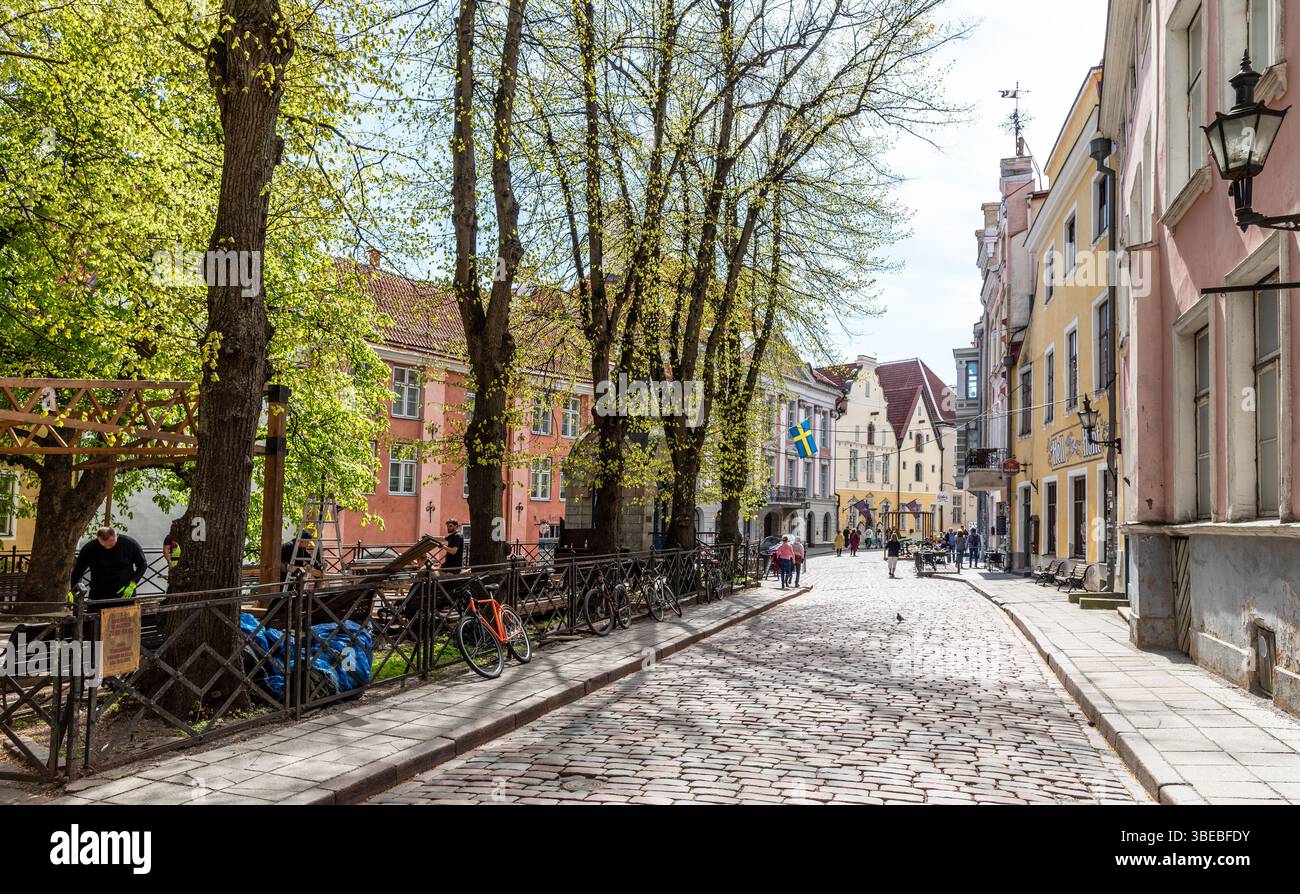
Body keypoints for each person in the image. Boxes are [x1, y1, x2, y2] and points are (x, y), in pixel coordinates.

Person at [70, 527, 147, 603]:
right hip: (98, 593)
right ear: (98, 538)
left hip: (124, 591)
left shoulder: (129, 543)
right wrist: (74, 591)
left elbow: (142, 564)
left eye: (111, 542)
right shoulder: (89, 548)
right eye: (104, 545)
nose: (107, 547)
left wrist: (133, 584)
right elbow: (78, 572)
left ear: (116, 535)